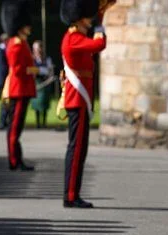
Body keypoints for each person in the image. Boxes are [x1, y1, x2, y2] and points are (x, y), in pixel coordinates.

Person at [60, 0, 111, 208]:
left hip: (80, 100)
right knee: (77, 149)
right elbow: (100, 44)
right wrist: (100, 22)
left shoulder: (76, 37)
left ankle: (73, 193)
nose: (89, 21)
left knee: (80, 150)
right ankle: (71, 195)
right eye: (87, 17)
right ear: (79, 18)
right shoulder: (73, 39)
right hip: (78, 100)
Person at [1, 0, 37, 171]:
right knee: (14, 127)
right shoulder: (15, 44)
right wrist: (34, 69)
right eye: (26, 25)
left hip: (24, 88)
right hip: (19, 89)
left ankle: (17, 158)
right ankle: (14, 160)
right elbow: (17, 69)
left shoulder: (21, 42)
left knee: (17, 126)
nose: (29, 28)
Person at [30, 40, 54, 128]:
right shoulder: (32, 59)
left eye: (39, 48)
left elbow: (50, 71)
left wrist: (40, 70)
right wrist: (41, 70)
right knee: (36, 104)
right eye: (35, 49)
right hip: (36, 84)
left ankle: (44, 122)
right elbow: (29, 70)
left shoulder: (47, 59)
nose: (37, 51)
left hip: (45, 84)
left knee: (44, 103)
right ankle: (38, 123)